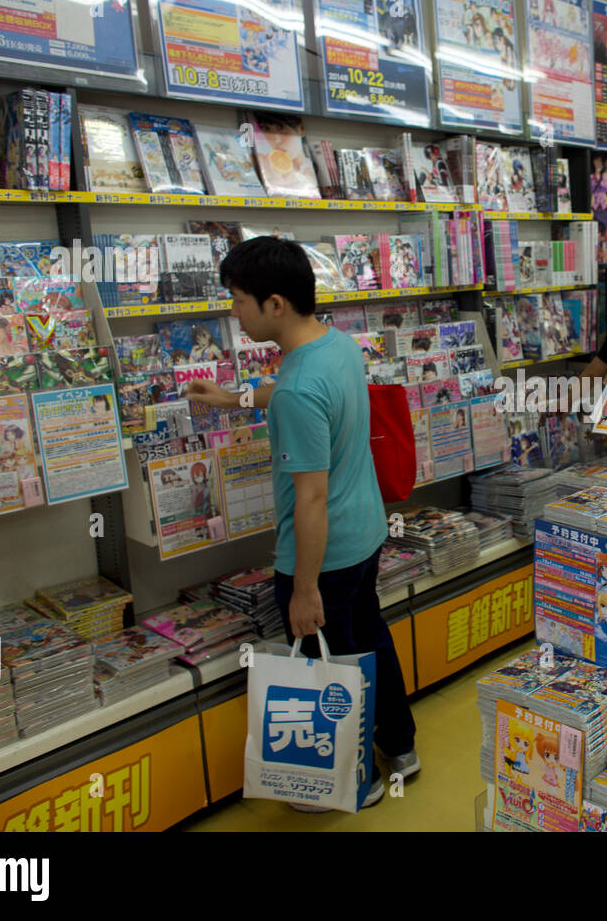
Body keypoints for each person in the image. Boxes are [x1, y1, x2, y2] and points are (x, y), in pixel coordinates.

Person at [185, 237, 418, 810]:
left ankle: (351, 782)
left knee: (326, 668)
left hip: (324, 555)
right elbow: (300, 398)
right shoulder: (334, 346)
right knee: (369, 640)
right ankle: (402, 748)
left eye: (238, 301)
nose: (233, 313)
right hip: (364, 533)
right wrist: (233, 397)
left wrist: (305, 588)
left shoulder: (297, 384)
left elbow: (309, 498)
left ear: (275, 305)